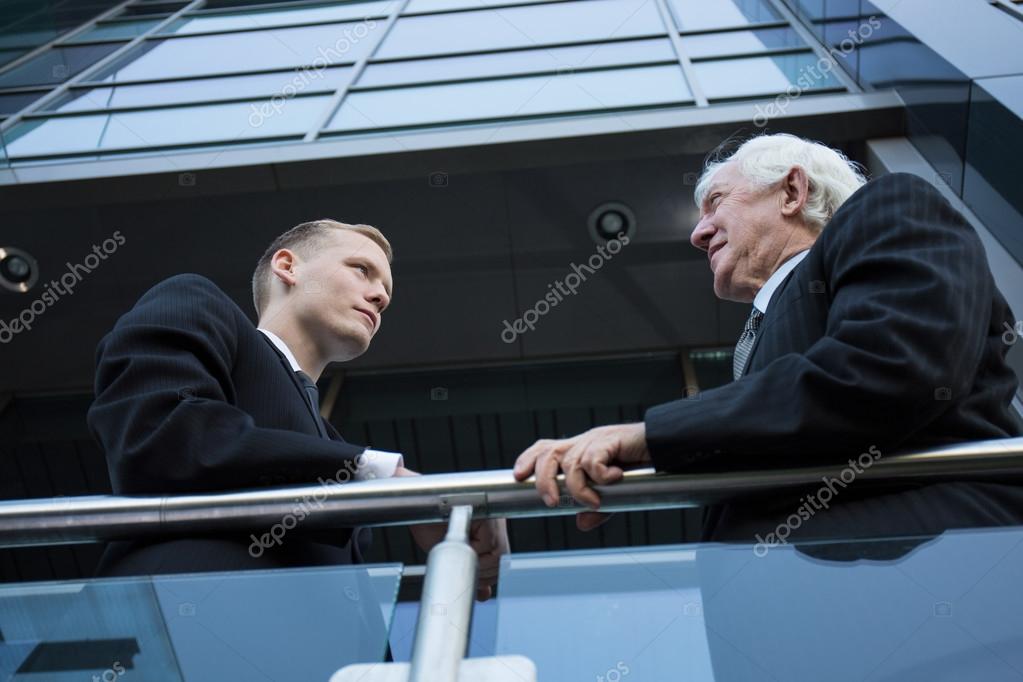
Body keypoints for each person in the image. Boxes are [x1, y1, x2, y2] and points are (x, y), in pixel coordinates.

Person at [513, 133, 1023, 545]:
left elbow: (886, 369)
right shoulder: (764, 335)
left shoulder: (891, 207)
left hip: (937, 572)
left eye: (715, 203)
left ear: (792, 193)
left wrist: (653, 437)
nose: (698, 233)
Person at [88, 219, 508, 599]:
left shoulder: (333, 445)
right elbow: (162, 434)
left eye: (386, 295)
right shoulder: (193, 300)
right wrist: (384, 478)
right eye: (362, 269)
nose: (380, 296)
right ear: (288, 266)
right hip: (172, 630)